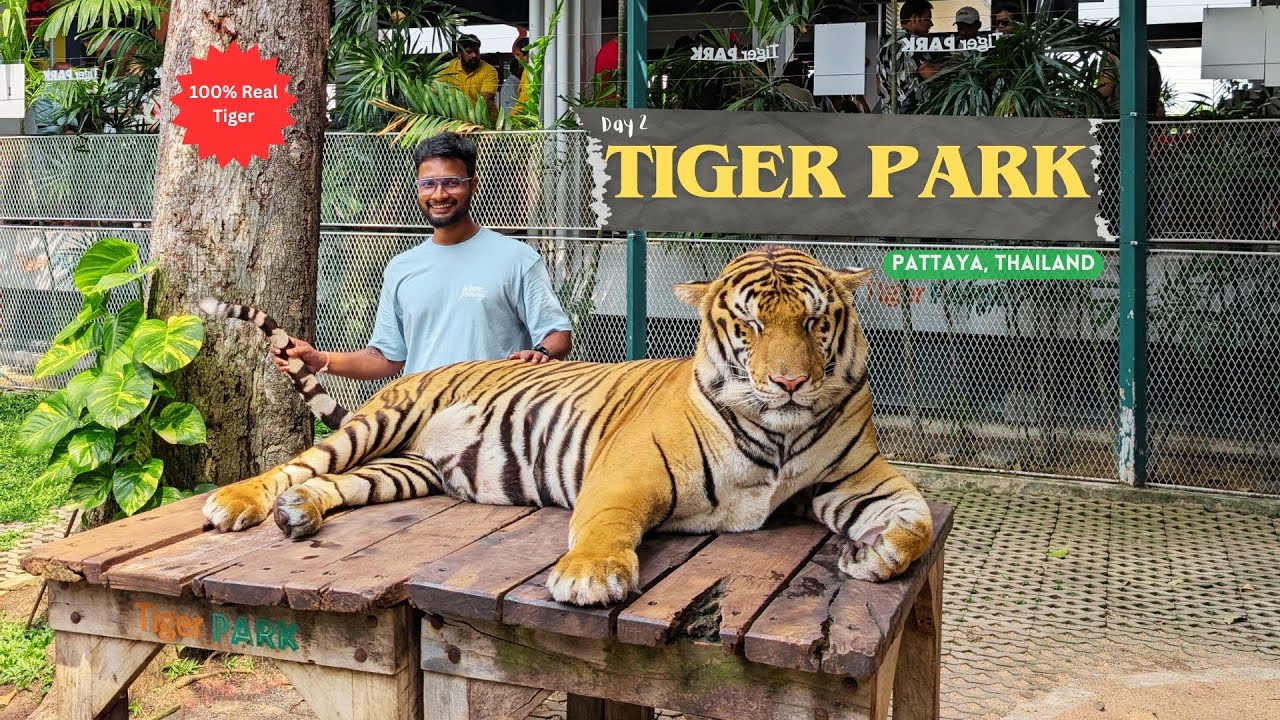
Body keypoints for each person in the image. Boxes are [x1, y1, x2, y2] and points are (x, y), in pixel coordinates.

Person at [275, 132, 573, 381]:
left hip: (490, 428)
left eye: (452, 182)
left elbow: (557, 333)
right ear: (418, 188)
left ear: (473, 185)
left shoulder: (517, 259)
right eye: (428, 183)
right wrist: (321, 360)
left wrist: (541, 354)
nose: (439, 194)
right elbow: (385, 358)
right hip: (419, 426)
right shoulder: (402, 268)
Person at [876, 0, 941, 114]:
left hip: (890, 118)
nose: (931, 24)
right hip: (915, 118)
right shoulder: (915, 42)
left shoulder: (884, 48)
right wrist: (952, 64)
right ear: (915, 18)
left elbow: (878, 89)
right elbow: (931, 74)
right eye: (927, 19)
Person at [439, 34, 499, 115]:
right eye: (469, 52)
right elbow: (434, 94)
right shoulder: (447, 70)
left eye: (476, 51)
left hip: (486, 123)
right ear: (459, 54)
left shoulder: (489, 71)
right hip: (458, 124)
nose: (474, 55)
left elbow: (487, 101)